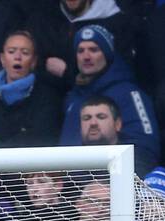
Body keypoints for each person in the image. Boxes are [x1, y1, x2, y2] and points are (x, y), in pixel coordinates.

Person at [58, 25, 158, 174]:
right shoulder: (73, 98)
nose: (86, 56)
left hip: (114, 188)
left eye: (94, 50)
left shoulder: (130, 94)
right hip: (72, 190)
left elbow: (145, 149)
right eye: (81, 51)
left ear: (107, 54)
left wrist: (108, 185)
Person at [0, 29, 64, 147]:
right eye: (11, 51)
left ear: (33, 62)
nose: (18, 57)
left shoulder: (47, 98)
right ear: (2, 59)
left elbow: (41, 139)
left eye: (25, 53)